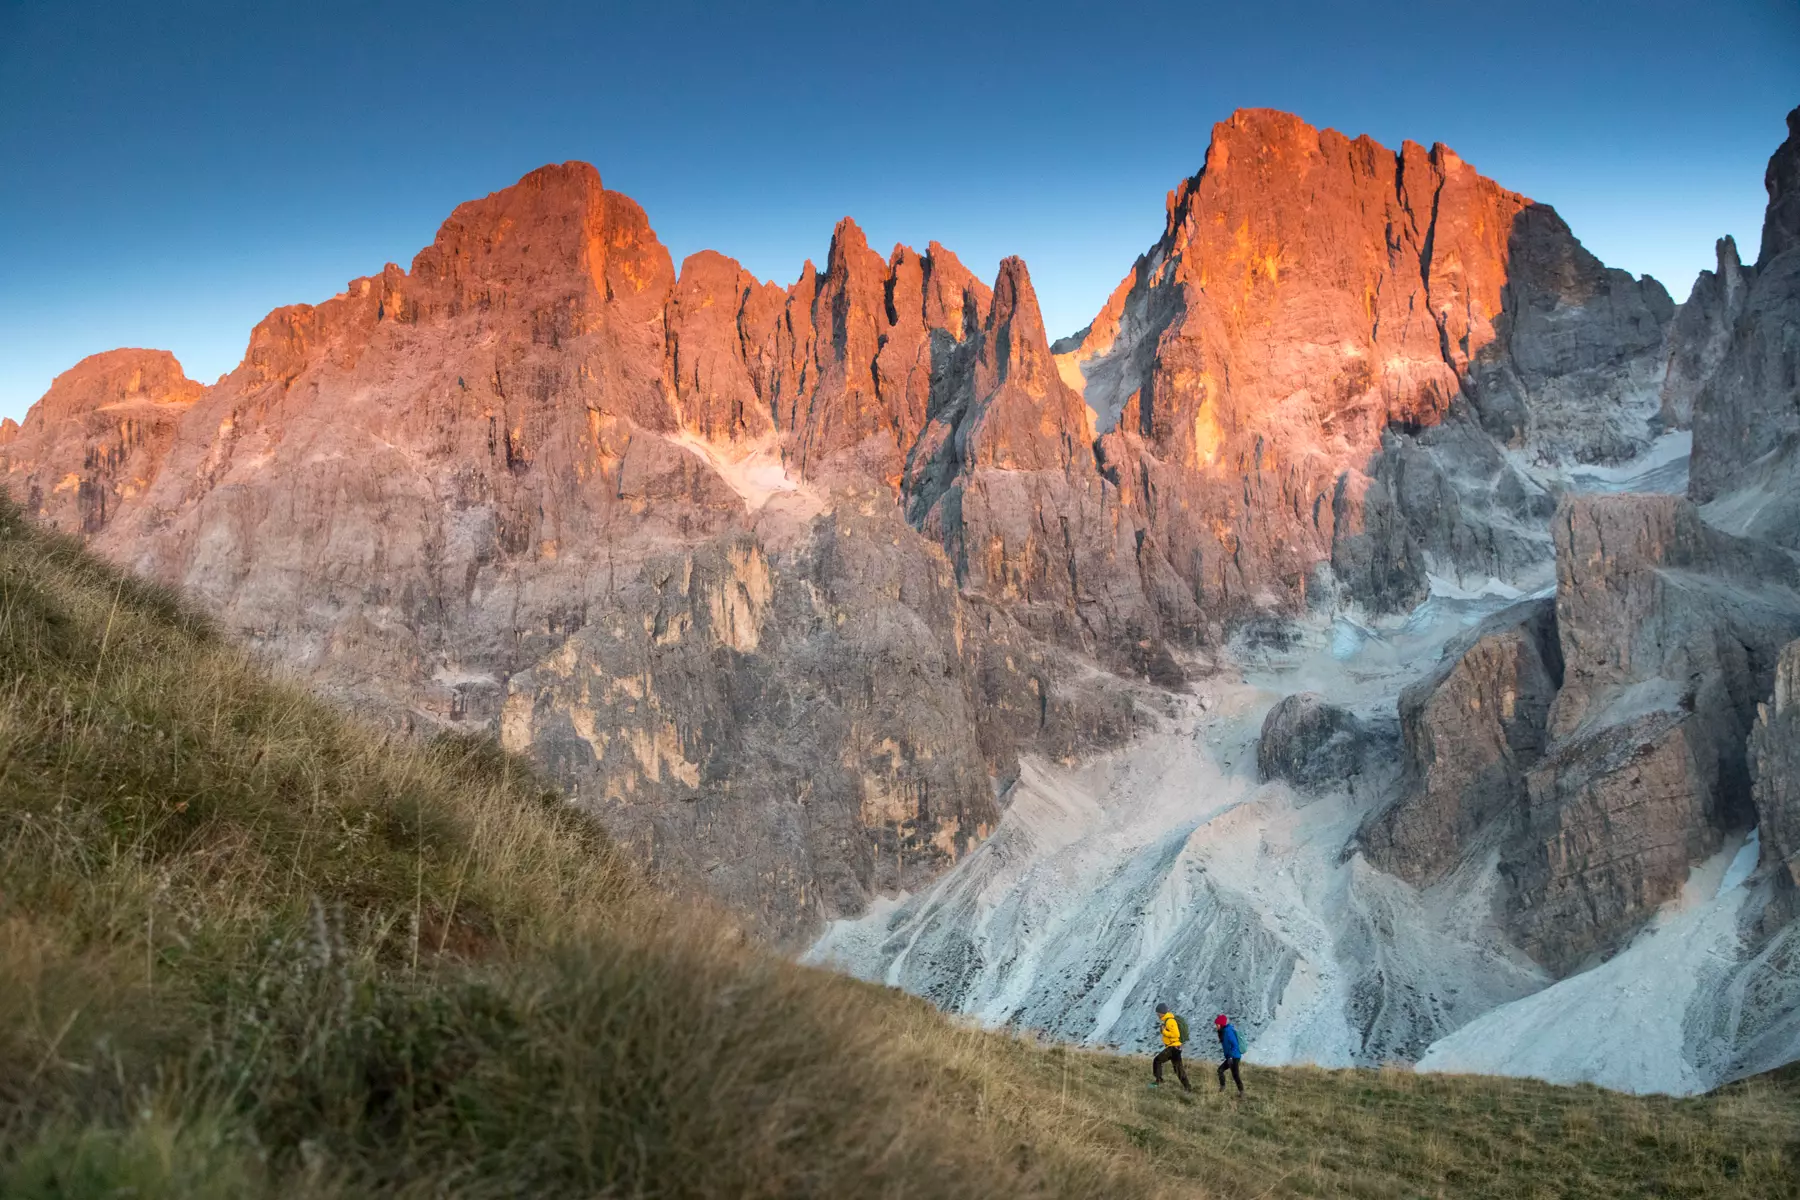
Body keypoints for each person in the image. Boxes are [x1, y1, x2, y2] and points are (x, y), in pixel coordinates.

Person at [1150, 1003, 1192, 1090]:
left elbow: (1176, 1034)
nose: (1157, 1014)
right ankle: (1187, 1087)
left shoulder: (1170, 1021)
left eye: (1158, 1012)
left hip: (1173, 1047)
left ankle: (1158, 1081)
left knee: (1157, 1061)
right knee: (1178, 1069)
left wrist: (1164, 1031)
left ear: (1162, 1012)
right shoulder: (1167, 1020)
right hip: (1176, 1048)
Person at [1215, 1014, 1244, 1094]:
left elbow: (1235, 1045)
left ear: (1221, 1024)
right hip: (1231, 1057)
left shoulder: (1228, 1032)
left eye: (1217, 1024)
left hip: (1234, 1057)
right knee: (1220, 1070)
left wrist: (1231, 1057)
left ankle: (1241, 1092)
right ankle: (1222, 1088)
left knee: (1235, 1075)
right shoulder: (1224, 1032)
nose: (1216, 1026)